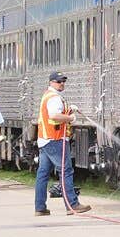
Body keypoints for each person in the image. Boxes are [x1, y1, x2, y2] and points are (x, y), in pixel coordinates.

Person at [35, 72, 90, 217]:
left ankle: (40, 207)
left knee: (43, 174)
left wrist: (68, 109)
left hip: (45, 140)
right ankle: (72, 205)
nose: (62, 84)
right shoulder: (53, 98)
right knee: (66, 171)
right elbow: (54, 116)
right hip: (55, 139)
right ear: (52, 82)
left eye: (63, 81)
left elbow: (53, 115)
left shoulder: (48, 95)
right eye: (59, 82)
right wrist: (70, 117)